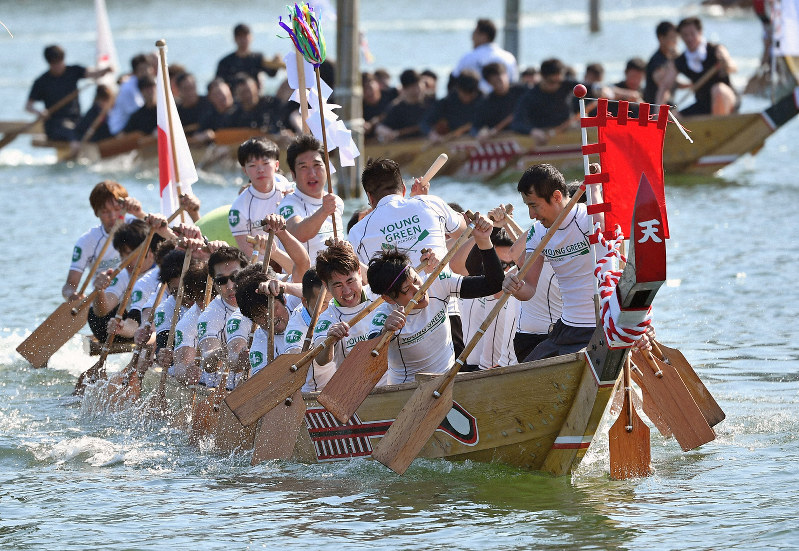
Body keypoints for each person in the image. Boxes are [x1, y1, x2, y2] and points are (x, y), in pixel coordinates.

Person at [366, 213, 503, 384]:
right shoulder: (385, 317)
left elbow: (494, 284)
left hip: (446, 382)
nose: (419, 290)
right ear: (389, 299)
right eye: (407, 290)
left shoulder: (436, 281)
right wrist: (384, 333)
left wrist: (484, 241)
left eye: (416, 280)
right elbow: (368, 359)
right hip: (408, 391)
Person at [501, 164, 596, 361]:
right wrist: (514, 287)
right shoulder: (538, 232)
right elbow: (529, 289)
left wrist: (596, 189)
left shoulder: (588, 218)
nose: (531, 215)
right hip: (567, 327)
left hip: (599, 326)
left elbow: (609, 234)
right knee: (528, 373)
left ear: (557, 197)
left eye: (534, 206)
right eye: (528, 207)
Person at [62, 181, 143, 302]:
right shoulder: (86, 242)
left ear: (125, 207)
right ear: (96, 212)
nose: (113, 216)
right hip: (107, 302)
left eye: (117, 209)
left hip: (139, 297)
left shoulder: (140, 227)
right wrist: (73, 296)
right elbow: (68, 287)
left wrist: (140, 213)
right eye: (105, 211)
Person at [311, 242, 382, 370]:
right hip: (354, 387)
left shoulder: (380, 295)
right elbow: (320, 359)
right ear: (326, 285)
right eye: (338, 285)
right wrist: (330, 341)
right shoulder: (328, 318)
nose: (347, 291)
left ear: (360, 273)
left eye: (350, 281)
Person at [26, 45, 112, 145]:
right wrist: (39, 112)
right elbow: (28, 106)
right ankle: (75, 147)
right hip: (55, 125)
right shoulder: (42, 82)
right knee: (71, 132)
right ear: (49, 63)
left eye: (60, 61)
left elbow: (93, 73)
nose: (59, 65)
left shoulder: (73, 71)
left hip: (77, 121)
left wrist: (105, 70)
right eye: (55, 63)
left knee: (97, 111)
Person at [279, 134, 344, 263]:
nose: (312, 174)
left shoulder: (337, 201)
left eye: (317, 165)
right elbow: (299, 233)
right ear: (293, 174)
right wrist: (324, 211)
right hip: (304, 280)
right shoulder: (287, 205)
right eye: (303, 167)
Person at [196, 246, 250, 388]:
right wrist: (228, 352)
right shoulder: (209, 316)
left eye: (235, 277)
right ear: (214, 284)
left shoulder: (263, 298)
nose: (230, 286)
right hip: (223, 391)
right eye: (222, 280)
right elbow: (207, 362)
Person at [228, 137, 293, 255]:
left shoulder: (288, 189)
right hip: (264, 268)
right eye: (252, 165)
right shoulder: (238, 209)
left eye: (266, 163)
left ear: (277, 165)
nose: (260, 170)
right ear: (244, 170)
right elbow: (249, 256)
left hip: (294, 262)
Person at [283, 269, 337, 392]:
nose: (329, 309)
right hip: (318, 393)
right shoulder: (296, 333)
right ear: (304, 302)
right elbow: (293, 364)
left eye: (331, 302)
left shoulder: (334, 306)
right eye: (322, 304)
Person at [674, 16, 738, 115]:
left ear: (700, 32)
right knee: (672, 117)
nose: (689, 38)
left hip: (727, 100)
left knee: (718, 90)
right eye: (685, 35)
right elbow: (664, 87)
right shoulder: (681, 60)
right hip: (703, 104)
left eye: (692, 34)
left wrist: (726, 63)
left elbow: (733, 67)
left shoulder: (716, 49)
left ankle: (718, 126)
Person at [511, 58, 581, 144]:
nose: (556, 85)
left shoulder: (566, 85)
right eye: (551, 82)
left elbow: (589, 88)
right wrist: (532, 131)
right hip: (544, 138)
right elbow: (517, 123)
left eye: (558, 82)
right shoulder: (530, 96)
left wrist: (598, 89)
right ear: (542, 77)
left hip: (568, 134)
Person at [453, 18, 519, 95]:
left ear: (484, 36)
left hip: (475, 104)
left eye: (474, 33)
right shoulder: (509, 57)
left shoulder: (468, 58)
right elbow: (513, 83)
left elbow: (455, 81)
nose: (472, 37)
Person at [215, 23, 281, 91]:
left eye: (245, 36)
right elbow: (219, 82)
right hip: (233, 98)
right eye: (240, 36)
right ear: (235, 39)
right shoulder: (225, 62)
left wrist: (276, 63)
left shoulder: (257, 58)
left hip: (254, 98)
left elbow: (271, 74)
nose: (243, 40)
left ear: (251, 37)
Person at [421, 71, 483, 142]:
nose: (468, 98)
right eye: (465, 94)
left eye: (471, 95)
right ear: (458, 89)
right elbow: (424, 123)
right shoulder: (447, 102)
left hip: (480, 140)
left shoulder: (483, 100)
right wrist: (432, 135)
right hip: (453, 142)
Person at [472, 62, 527, 138]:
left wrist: (497, 129)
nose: (499, 85)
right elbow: (476, 127)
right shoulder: (486, 103)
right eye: (494, 83)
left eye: (500, 80)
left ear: (506, 75)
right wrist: (481, 133)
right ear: (489, 83)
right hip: (502, 141)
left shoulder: (523, 91)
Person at [374, 69, 430, 142]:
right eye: (413, 87)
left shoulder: (430, 103)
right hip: (405, 146)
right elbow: (380, 128)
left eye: (418, 86)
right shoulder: (397, 108)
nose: (417, 91)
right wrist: (387, 133)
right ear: (404, 89)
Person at [108, 53, 154, 135]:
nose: (145, 72)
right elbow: (138, 112)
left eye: (147, 69)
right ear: (135, 72)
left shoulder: (151, 82)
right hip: (120, 128)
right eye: (142, 70)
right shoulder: (127, 88)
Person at [643, 21, 680, 105]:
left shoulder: (668, 58)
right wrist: (675, 60)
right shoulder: (657, 60)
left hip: (668, 105)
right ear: (661, 38)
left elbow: (674, 82)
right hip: (654, 109)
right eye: (672, 37)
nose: (675, 41)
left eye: (677, 37)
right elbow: (661, 81)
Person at [195, 78, 236, 142]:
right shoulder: (210, 116)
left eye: (224, 92)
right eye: (217, 94)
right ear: (210, 98)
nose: (223, 96)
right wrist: (204, 135)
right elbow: (197, 136)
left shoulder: (242, 109)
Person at [362, 71, 395, 138]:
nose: (368, 93)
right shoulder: (359, 108)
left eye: (370, 88)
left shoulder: (393, 95)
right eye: (364, 90)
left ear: (378, 84)